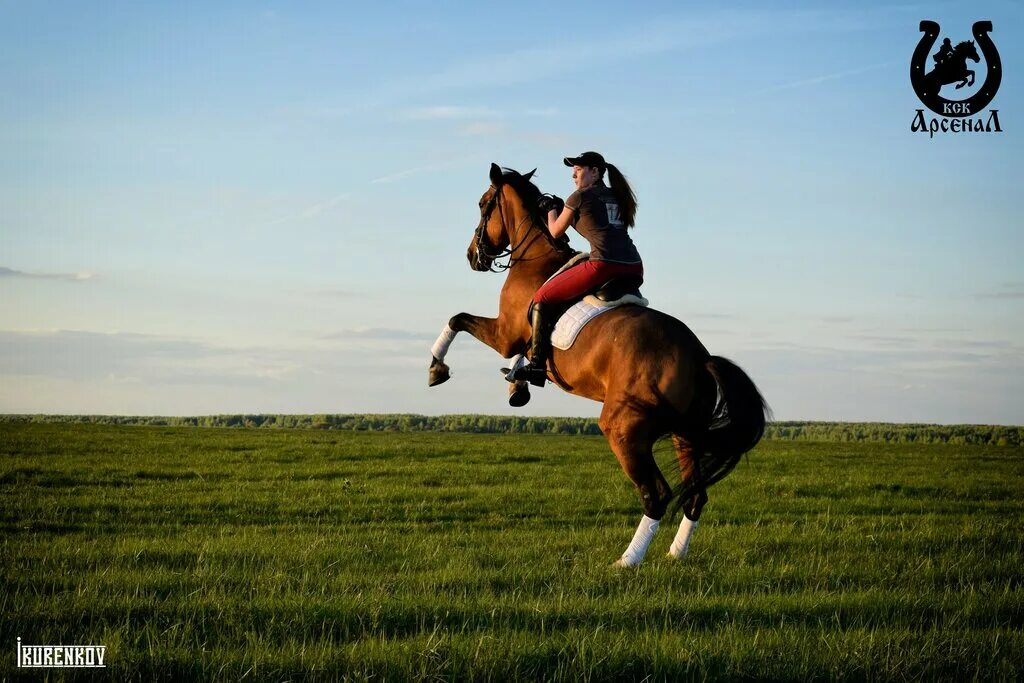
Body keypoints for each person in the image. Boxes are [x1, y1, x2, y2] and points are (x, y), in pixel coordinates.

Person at [508, 151, 643, 387]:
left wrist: (551, 209)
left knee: (542, 297)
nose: (573, 174)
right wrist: (565, 209)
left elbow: (555, 232)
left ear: (595, 172)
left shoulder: (579, 197)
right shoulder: (617, 196)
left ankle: (538, 366)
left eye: (578, 169)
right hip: (634, 266)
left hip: (603, 265)